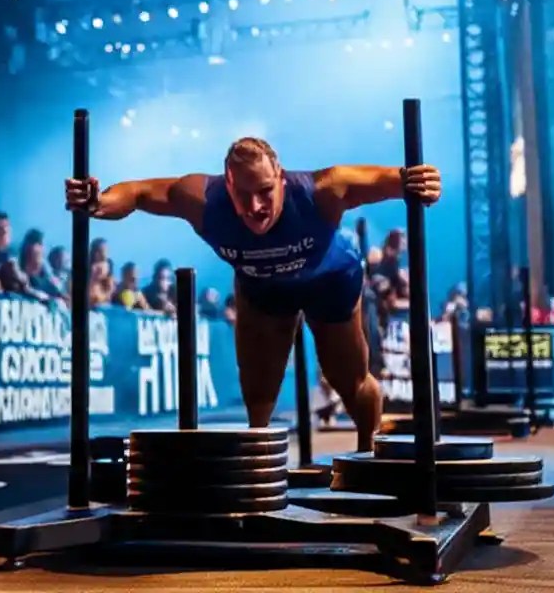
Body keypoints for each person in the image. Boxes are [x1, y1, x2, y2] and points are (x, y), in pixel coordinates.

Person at [65, 136, 441, 452]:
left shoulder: (325, 189)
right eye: (243, 195)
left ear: (280, 178)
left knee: (349, 380)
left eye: (265, 192)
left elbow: (399, 178)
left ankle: (366, 455)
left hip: (329, 279)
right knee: (259, 389)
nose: (256, 207)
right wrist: (97, 203)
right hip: (263, 286)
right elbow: (138, 192)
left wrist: (421, 180)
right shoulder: (200, 200)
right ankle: (258, 471)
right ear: (228, 184)